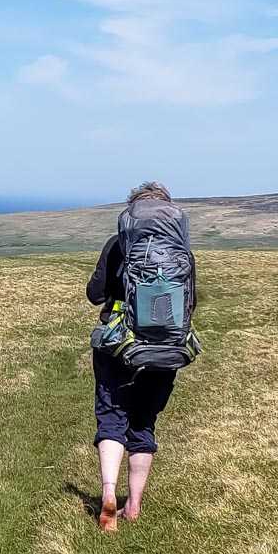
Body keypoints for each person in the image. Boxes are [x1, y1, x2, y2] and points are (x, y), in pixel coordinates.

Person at [85, 181, 186, 532]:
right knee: (143, 422)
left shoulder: (118, 244)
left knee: (112, 416)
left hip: (116, 345)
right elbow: (189, 306)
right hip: (164, 349)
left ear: (132, 213)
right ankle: (134, 505)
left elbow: (94, 294)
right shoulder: (180, 251)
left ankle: (109, 494)